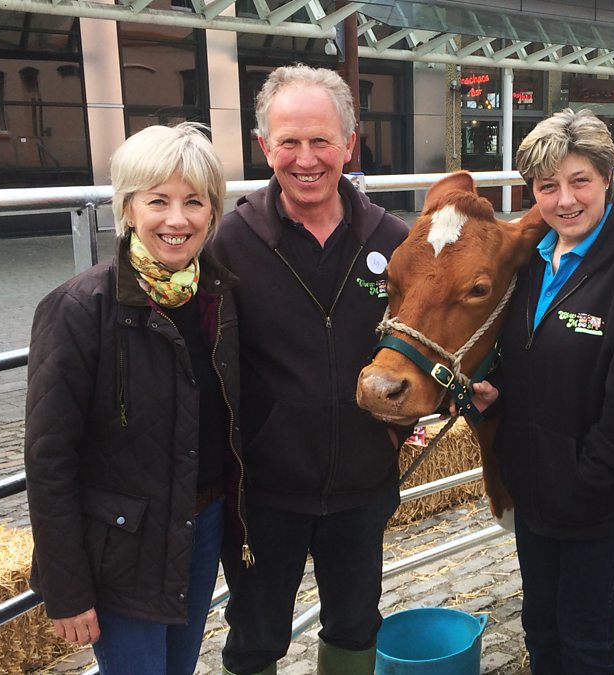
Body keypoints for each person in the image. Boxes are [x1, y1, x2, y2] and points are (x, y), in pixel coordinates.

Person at [25, 122, 250, 675]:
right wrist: (67, 588)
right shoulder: (80, 308)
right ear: (128, 208)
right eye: (158, 201)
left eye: (194, 201)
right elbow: (49, 458)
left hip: (201, 526)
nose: (177, 219)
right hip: (123, 546)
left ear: (213, 212)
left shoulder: (219, 297)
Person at [210, 64, 410, 675]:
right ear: (263, 145)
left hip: (363, 484)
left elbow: (425, 343)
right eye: (288, 141)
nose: (306, 159)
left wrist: (404, 425)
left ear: (349, 144)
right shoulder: (229, 244)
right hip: (266, 491)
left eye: (321, 140)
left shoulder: (394, 240)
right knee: (255, 637)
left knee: (355, 624)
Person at [473, 109, 614, 673]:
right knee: (541, 627)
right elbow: (531, 357)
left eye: (580, 181)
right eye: (548, 186)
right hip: (539, 489)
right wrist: (498, 392)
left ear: (608, 179)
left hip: (604, 500)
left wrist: (583, 482)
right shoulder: (536, 259)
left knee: (586, 637)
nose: (565, 200)